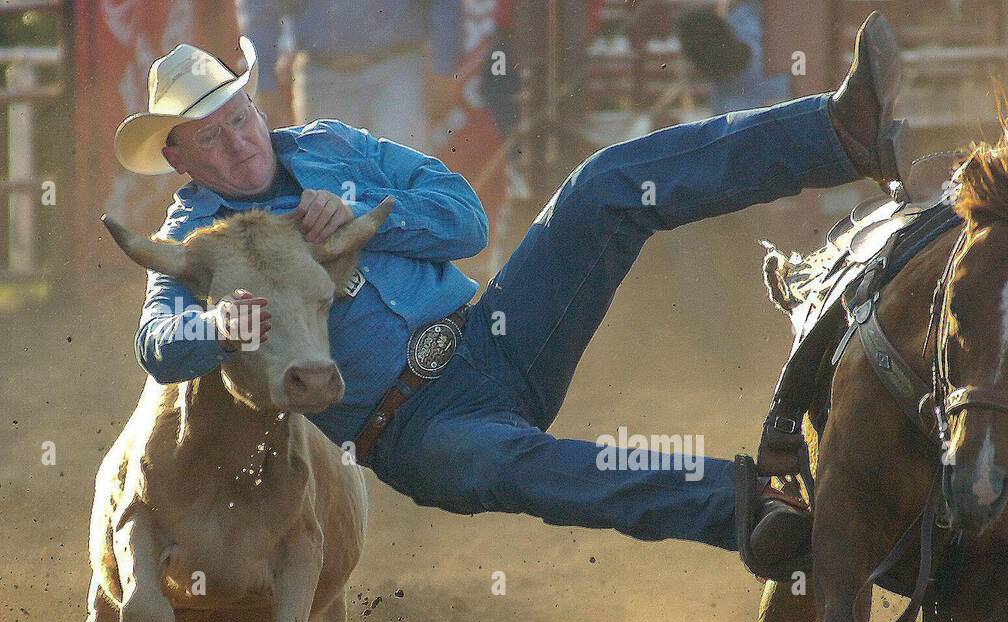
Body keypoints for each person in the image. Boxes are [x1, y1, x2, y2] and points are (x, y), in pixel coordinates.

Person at [112, 15, 913, 577]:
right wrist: (226, 324)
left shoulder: (329, 146)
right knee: (520, 462)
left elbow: (463, 218)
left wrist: (365, 221)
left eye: (240, 116)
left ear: (258, 106)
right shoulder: (194, 240)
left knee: (601, 185)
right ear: (180, 160)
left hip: (490, 332)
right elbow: (157, 342)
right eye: (210, 136)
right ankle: (750, 509)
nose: (240, 140)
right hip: (417, 428)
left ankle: (836, 135)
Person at [235, 0, 462, 147]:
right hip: (320, 75)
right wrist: (265, 84)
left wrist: (444, 68)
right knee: (326, 184)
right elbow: (260, 10)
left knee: (401, 178)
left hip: (397, 68)